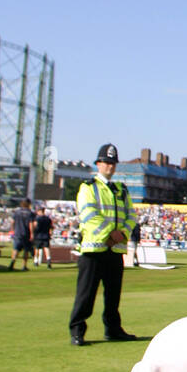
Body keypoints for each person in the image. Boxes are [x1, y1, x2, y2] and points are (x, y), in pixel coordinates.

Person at [68, 144, 137, 345]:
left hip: (114, 250)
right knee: (86, 294)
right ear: (98, 164)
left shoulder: (121, 189)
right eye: (106, 162)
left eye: (113, 163)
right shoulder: (88, 187)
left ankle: (113, 329)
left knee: (113, 295)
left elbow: (131, 215)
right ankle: (77, 330)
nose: (110, 167)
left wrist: (122, 233)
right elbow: (89, 215)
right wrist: (110, 234)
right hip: (93, 249)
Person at [8, 199, 34, 270]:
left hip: (17, 233)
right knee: (26, 250)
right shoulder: (30, 213)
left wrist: (12, 230)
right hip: (26, 233)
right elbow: (30, 224)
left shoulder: (17, 212)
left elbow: (12, 222)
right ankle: (24, 266)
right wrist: (32, 234)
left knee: (16, 249)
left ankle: (12, 263)